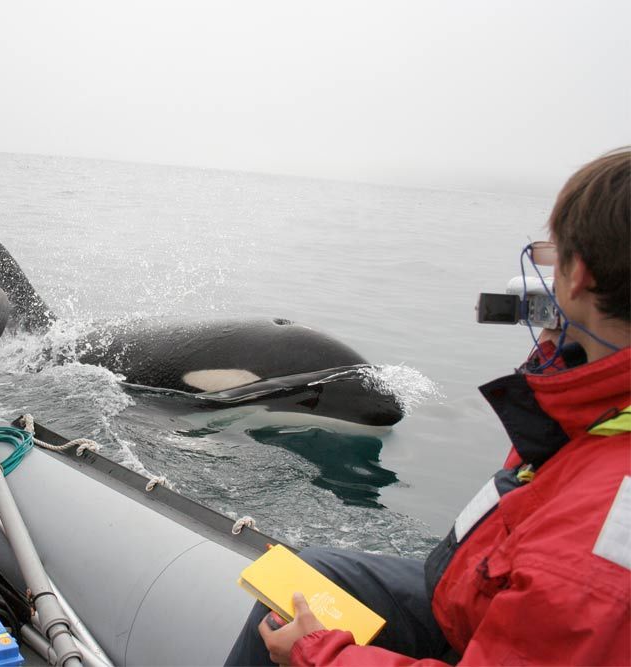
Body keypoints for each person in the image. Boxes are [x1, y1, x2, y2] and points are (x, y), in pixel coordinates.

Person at [225, 147, 630, 666]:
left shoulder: (602, 530)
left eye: (553, 259)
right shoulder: (595, 406)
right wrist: (563, 356)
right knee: (314, 574)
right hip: (478, 602)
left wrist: (318, 653)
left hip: (500, 628)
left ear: (580, 277)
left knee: (290, 614)